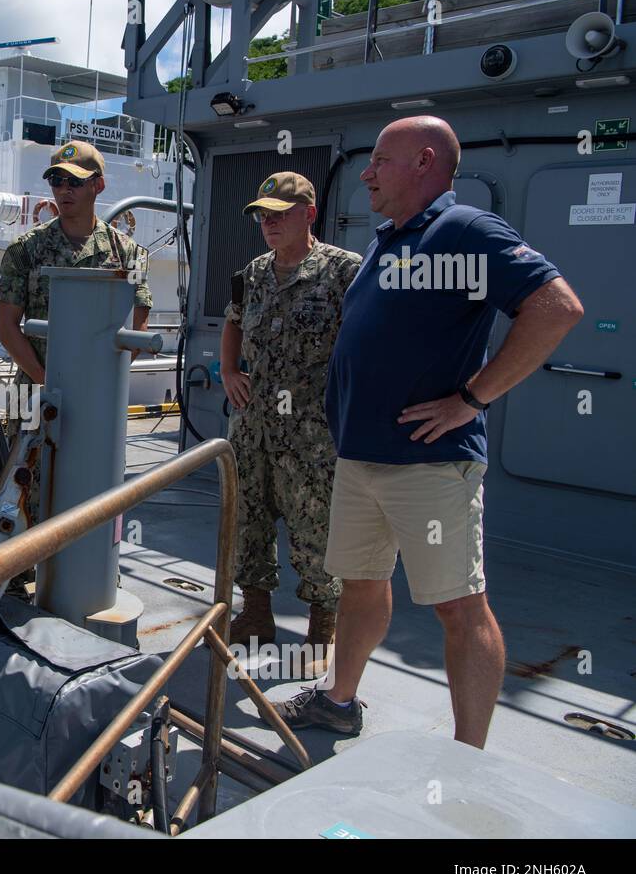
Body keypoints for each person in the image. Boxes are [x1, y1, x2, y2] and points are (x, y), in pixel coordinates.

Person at [271, 116, 584, 746]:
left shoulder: (465, 229)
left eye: (380, 160)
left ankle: (469, 753)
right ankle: (339, 699)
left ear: (425, 161)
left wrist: (470, 398)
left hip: (430, 463)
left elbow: (556, 308)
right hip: (361, 459)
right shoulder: (389, 240)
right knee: (361, 587)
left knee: (459, 607)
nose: (366, 173)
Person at [0, 140, 152, 596]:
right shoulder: (26, 250)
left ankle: (87, 578)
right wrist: (52, 382)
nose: (63, 190)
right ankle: (19, 582)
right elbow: (9, 329)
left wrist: (93, 384)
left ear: (98, 186)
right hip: (36, 396)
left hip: (97, 403)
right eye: (57, 181)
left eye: (75, 183)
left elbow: (136, 327)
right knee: (25, 485)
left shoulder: (128, 255)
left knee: (93, 486)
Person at [221, 172, 360, 673]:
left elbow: (364, 344)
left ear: (309, 214)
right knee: (247, 521)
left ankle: (323, 627)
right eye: (263, 215)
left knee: (315, 529)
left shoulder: (344, 271)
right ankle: (255, 615)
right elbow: (233, 320)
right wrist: (228, 370)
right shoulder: (254, 272)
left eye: (279, 214)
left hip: (311, 433)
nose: (269, 223)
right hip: (253, 426)